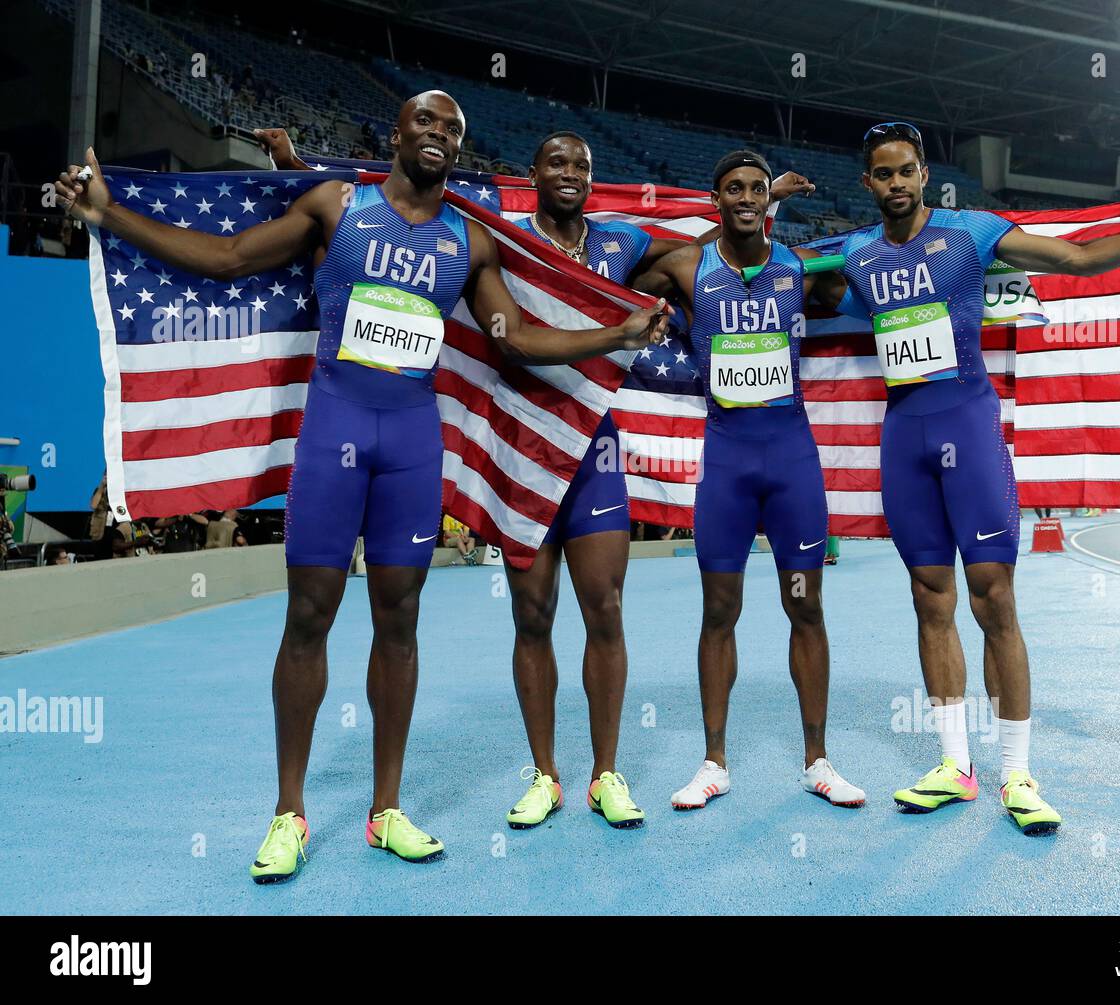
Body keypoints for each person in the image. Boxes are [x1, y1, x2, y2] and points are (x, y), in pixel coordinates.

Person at [56, 89, 669, 884]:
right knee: (308, 614)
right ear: (396, 134)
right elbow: (229, 255)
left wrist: (616, 333)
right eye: (427, 122)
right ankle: (289, 811)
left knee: (400, 620)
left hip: (412, 444)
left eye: (453, 127)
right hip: (336, 433)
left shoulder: (469, 240)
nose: (440, 134)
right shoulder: (335, 205)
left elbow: (514, 340)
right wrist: (108, 212)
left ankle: (386, 810)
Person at [260, 125, 814, 830]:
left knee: (606, 607)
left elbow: (703, 246)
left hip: (596, 449)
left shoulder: (619, 243)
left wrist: (766, 211)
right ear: (534, 171)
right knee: (532, 612)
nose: (570, 172)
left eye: (582, 163)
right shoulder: (502, 235)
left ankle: (605, 773)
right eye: (556, 160)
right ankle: (545, 774)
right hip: (521, 444)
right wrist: (297, 166)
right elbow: (407, 185)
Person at [824, 121, 1120, 834]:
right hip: (903, 435)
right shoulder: (853, 251)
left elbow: (1078, 258)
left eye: (906, 171)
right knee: (929, 595)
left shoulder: (971, 232)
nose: (895, 184)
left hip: (967, 427)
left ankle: (1017, 773)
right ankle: (955, 766)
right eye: (882, 174)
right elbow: (767, 270)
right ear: (867, 183)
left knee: (995, 596)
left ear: (923, 174)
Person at [635, 150, 866, 812]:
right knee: (719, 609)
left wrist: (769, 212)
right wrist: (757, 211)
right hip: (728, 465)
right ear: (717, 198)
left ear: (769, 199)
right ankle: (713, 762)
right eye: (733, 188)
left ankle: (818, 760)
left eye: (756, 189)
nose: (745, 197)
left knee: (807, 606)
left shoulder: (804, 268)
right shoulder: (688, 265)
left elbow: (860, 295)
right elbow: (620, 274)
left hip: (792, 462)